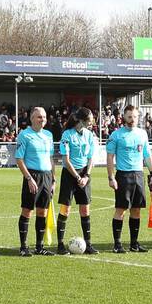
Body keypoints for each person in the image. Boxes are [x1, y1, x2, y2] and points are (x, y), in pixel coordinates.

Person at [105, 104, 152, 253]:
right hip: (123, 175)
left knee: (137, 210)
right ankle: (117, 244)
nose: (132, 119)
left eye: (134, 116)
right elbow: (110, 157)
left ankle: (134, 243)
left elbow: (147, 155)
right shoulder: (116, 135)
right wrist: (111, 177)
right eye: (129, 117)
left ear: (138, 117)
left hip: (138, 175)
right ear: (123, 117)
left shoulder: (142, 134)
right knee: (121, 210)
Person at [15, 106, 56, 256]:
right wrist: (29, 178)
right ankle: (23, 247)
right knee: (27, 210)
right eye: (39, 117)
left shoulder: (48, 135)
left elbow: (51, 158)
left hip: (46, 176)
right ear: (32, 118)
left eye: (44, 117)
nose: (42, 119)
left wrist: (53, 179)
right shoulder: (24, 135)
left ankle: (39, 246)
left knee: (42, 211)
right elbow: (19, 158)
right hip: (32, 176)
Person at [57, 107, 98, 255]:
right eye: (89, 120)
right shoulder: (67, 135)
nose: (91, 123)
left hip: (84, 174)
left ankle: (88, 244)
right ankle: (60, 244)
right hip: (70, 174)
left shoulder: (89, 135)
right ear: (80, 120)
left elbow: (91, 158)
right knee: (65, 209)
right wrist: (78, 177)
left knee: (85, 209)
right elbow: (66, 161)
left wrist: (86, 175)